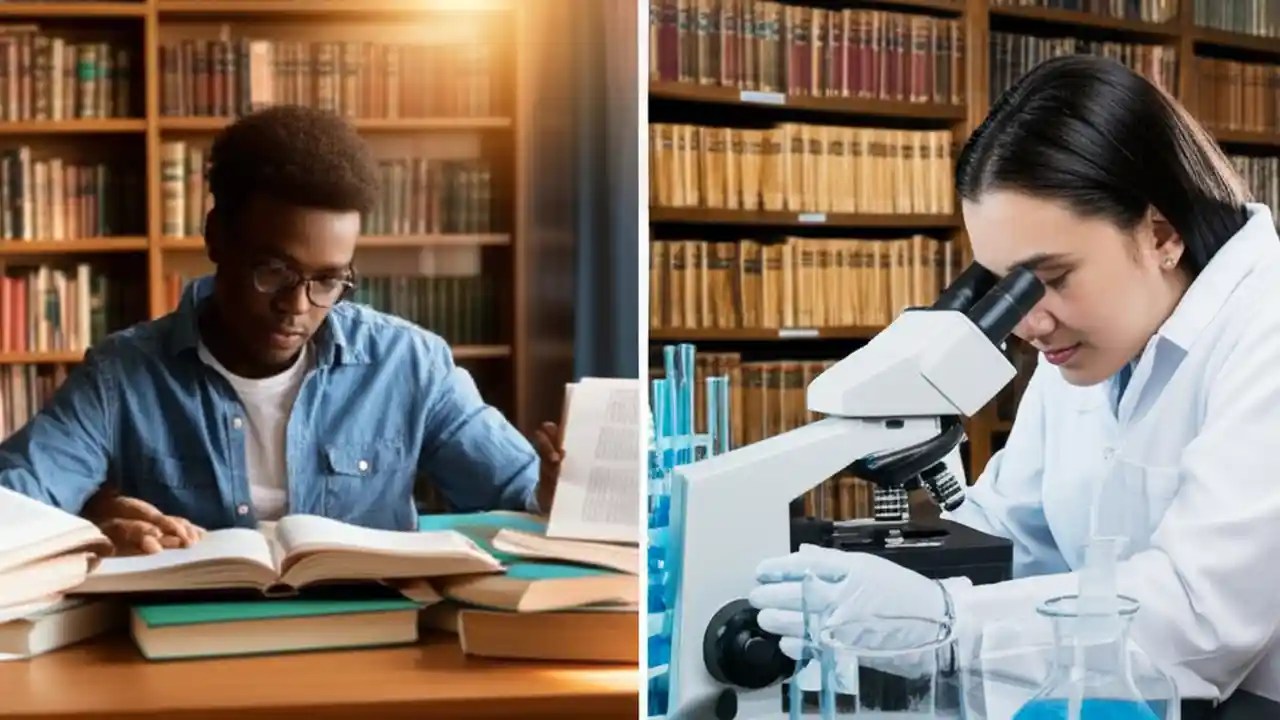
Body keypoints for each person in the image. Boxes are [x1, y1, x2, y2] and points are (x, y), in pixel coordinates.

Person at [750, 54, 1280, 710]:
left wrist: (942, 621)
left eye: (1050, 278)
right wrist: (869, 573)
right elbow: (1012, 527)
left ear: (1161, 234)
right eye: (1004, 286)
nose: (1026, 322)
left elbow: (1199, 620)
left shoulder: (1265, 333)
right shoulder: (1090, 343)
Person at [0, 105, 564, 555]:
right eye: (274, 271)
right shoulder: (123, 374)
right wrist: (91, 528)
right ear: (217, 238)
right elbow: (13, 506)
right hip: (192, 653)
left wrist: (562, 494)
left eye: (329, 279)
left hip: (378, 647)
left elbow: (520, 501)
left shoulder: (411, 364)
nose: (298, 305)